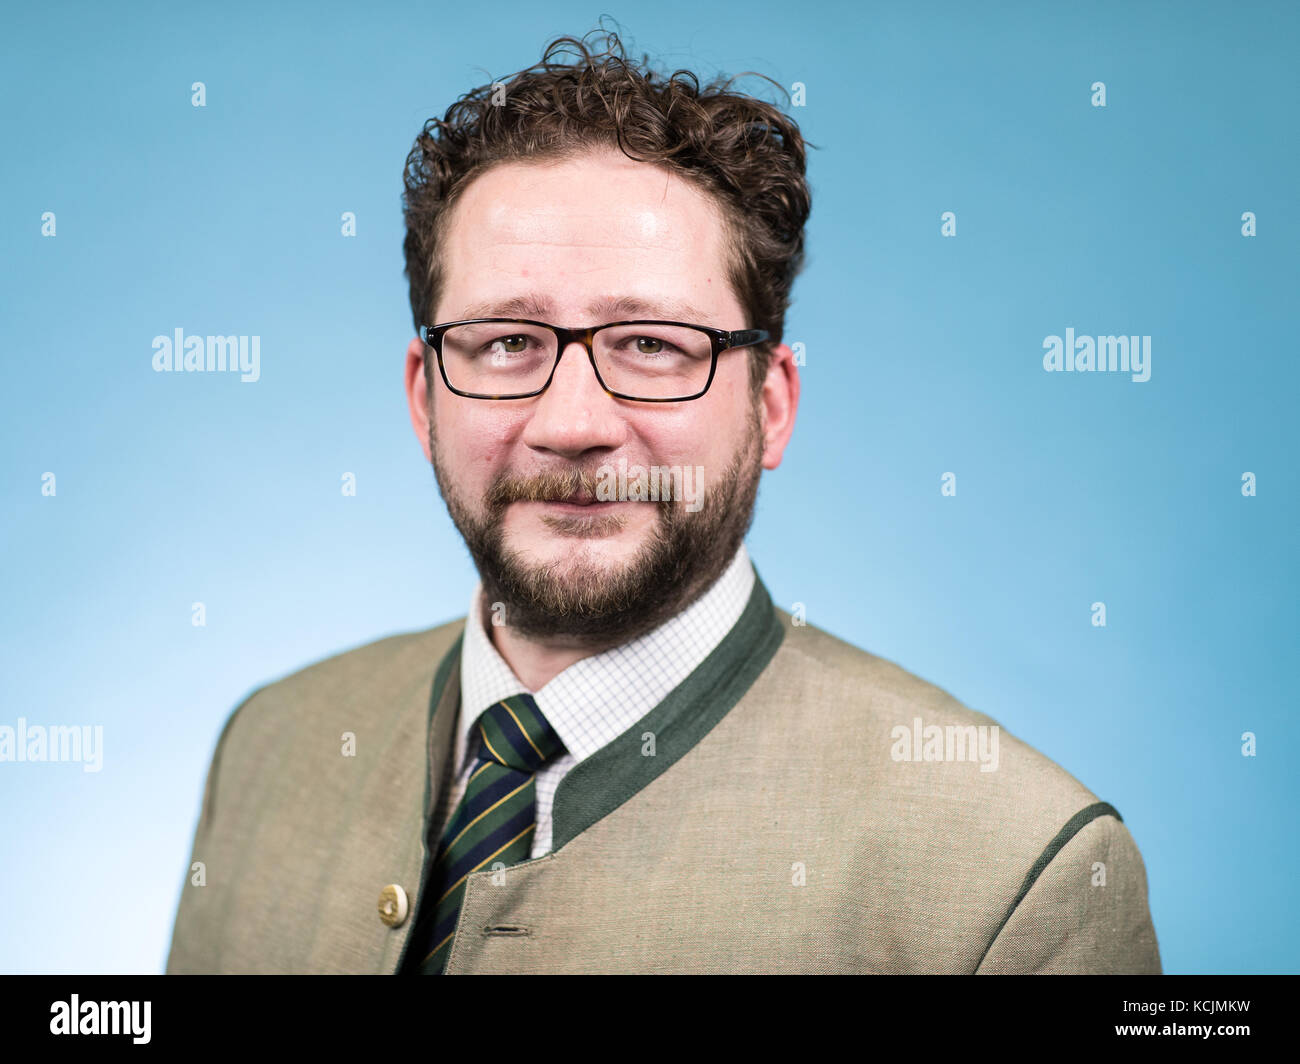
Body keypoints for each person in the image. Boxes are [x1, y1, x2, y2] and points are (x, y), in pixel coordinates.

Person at [166, 30, 1161, 975]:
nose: (571, 423)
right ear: (425, 398)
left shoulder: (1013, 878)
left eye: (651, 344)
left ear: (770, 406)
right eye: (507, 341)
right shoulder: (271, 744)